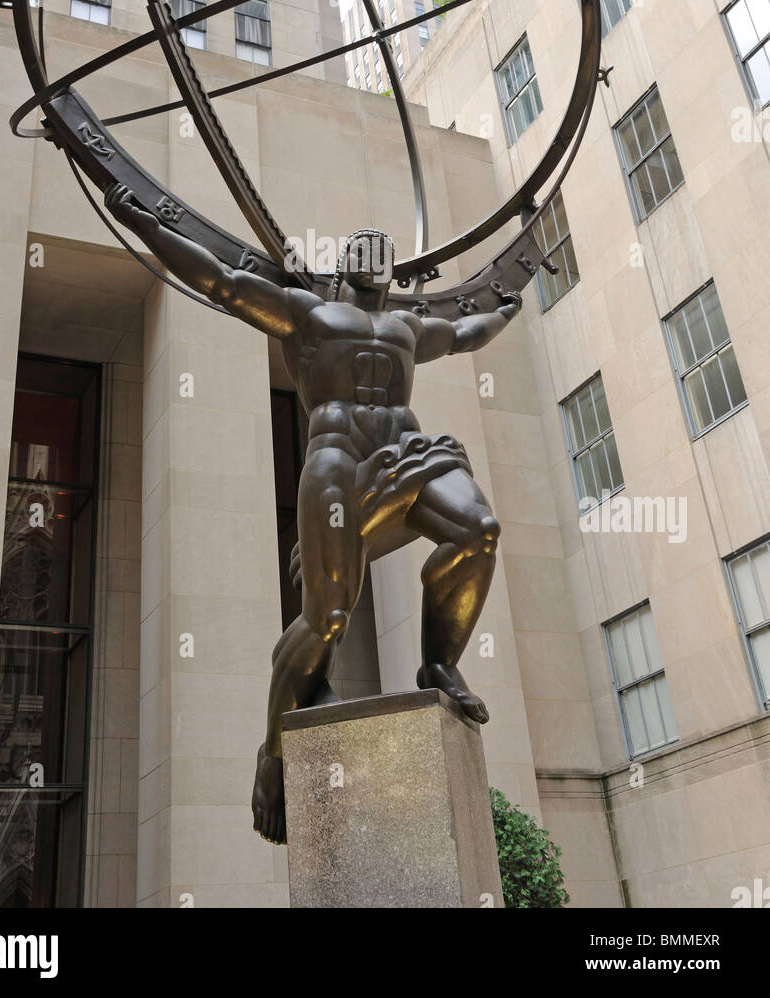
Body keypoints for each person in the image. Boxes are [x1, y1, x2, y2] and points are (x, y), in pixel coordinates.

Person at [105, 188, 522, 844]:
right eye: (362, 246)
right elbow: (220, 281)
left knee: (479, 531)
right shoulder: (309, 312)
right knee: (327, 614)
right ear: (342, 263)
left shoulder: (410, 326)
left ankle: (437, 665)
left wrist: (507, 304)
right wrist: (139, 220)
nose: (375, 254)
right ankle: (271, 758)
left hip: (406, 447)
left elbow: (466, 330)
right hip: (338, 455)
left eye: (383, 249)